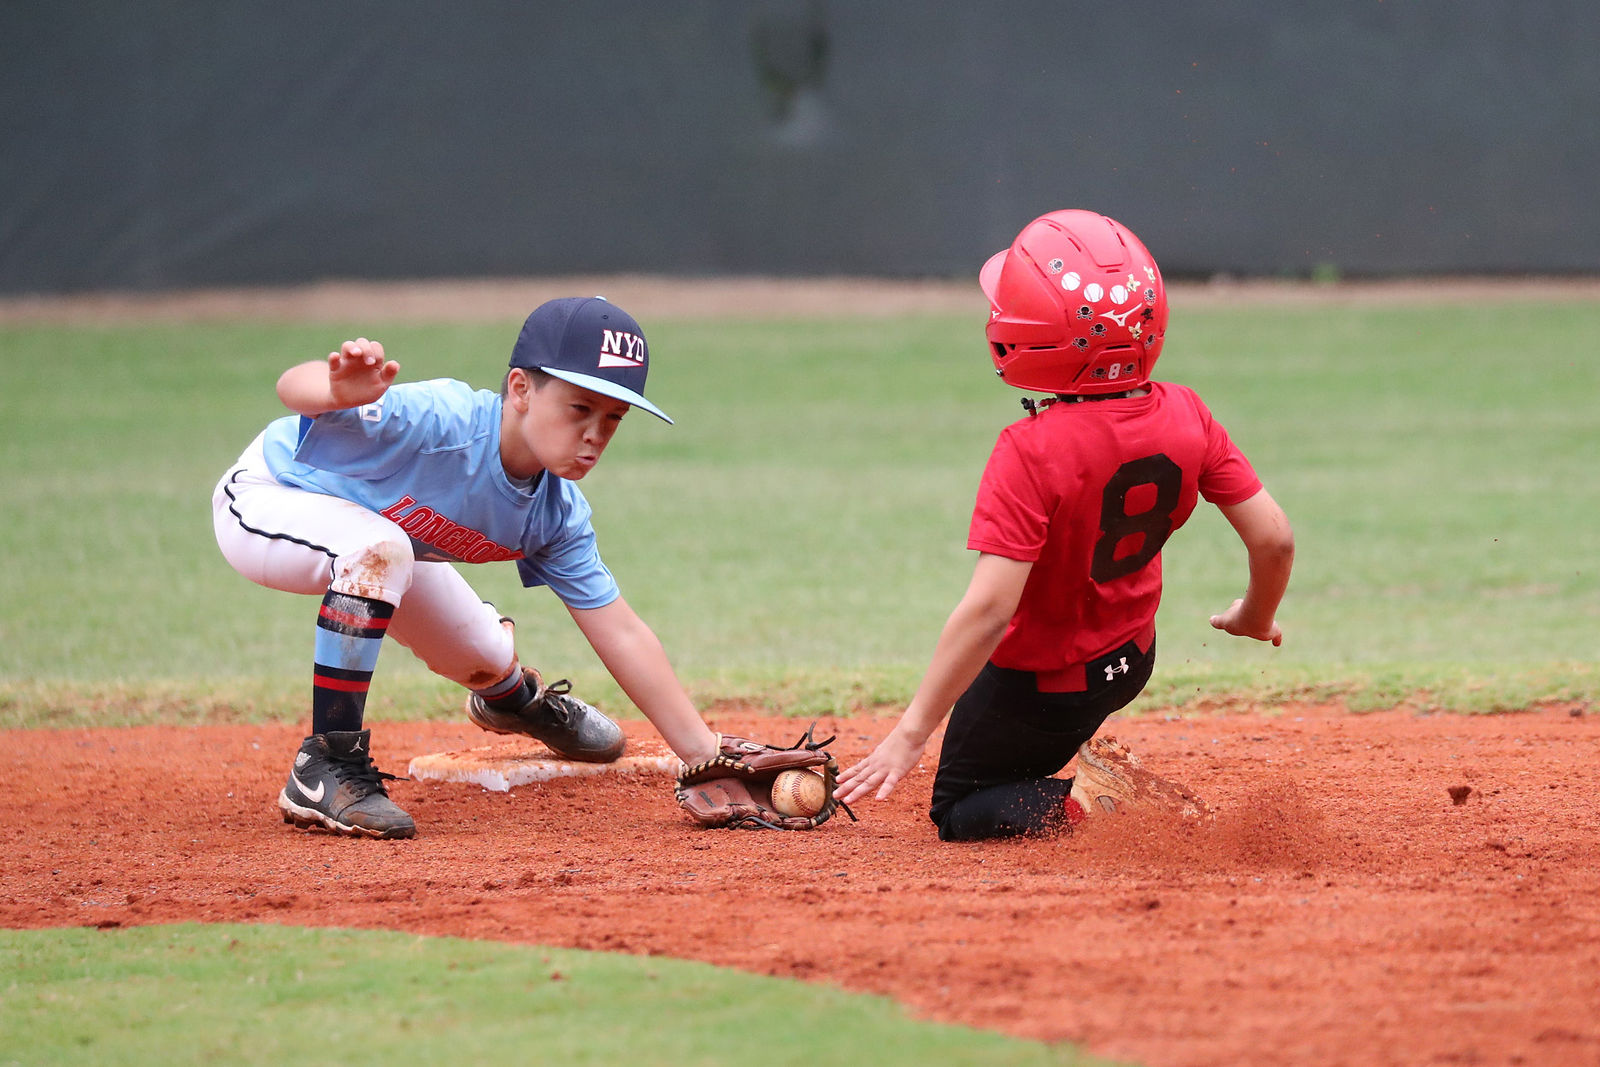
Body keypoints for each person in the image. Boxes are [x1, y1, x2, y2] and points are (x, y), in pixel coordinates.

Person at [836, 210, 1294, 841]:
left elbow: (989, 611)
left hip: (1040, 686)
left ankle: (1101, 804)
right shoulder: (1187, 412)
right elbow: (1274, 538)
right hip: (1132, 658)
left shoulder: (1030, 449)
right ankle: (1092, 788)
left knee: (962, 807)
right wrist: (1255, 617)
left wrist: (909, 733)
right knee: (1022, 752)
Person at [212, 296, 722, 839]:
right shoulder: (441, 420)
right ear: (521, 389)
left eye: (613, 417)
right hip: (268, 497)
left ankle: (515, 704)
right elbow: (292, 385)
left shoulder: (555, 514)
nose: (596, 433)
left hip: (379, 545)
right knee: (382, 547)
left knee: (486, 654)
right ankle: (325, 763)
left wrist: (707, 756)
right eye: (580, 408)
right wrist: (338, 393)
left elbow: (620, 630)